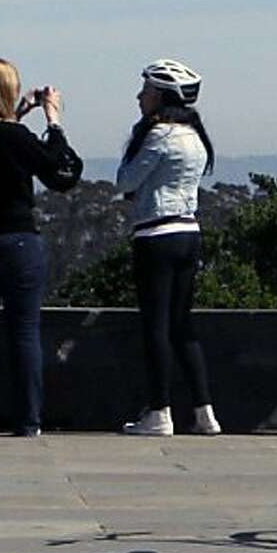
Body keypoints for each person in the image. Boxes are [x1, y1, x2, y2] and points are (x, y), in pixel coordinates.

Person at [0, 56, 83, 437]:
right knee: (23, 331)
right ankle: (27, 419)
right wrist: (53, 119)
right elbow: (58, 171)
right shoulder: (14, 137)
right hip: (18, 240)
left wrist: (18, 115)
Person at [114, 59, 222, 437]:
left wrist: (134, 142)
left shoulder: (157, 135)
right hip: (189, 232)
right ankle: (204, 411)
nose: (140, 97)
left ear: (161, 95)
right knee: (182, 325)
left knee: (156, 326)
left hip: (154, 234)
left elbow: (126, 180)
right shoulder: (195, 136)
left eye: (145, 90)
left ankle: (159, 412)